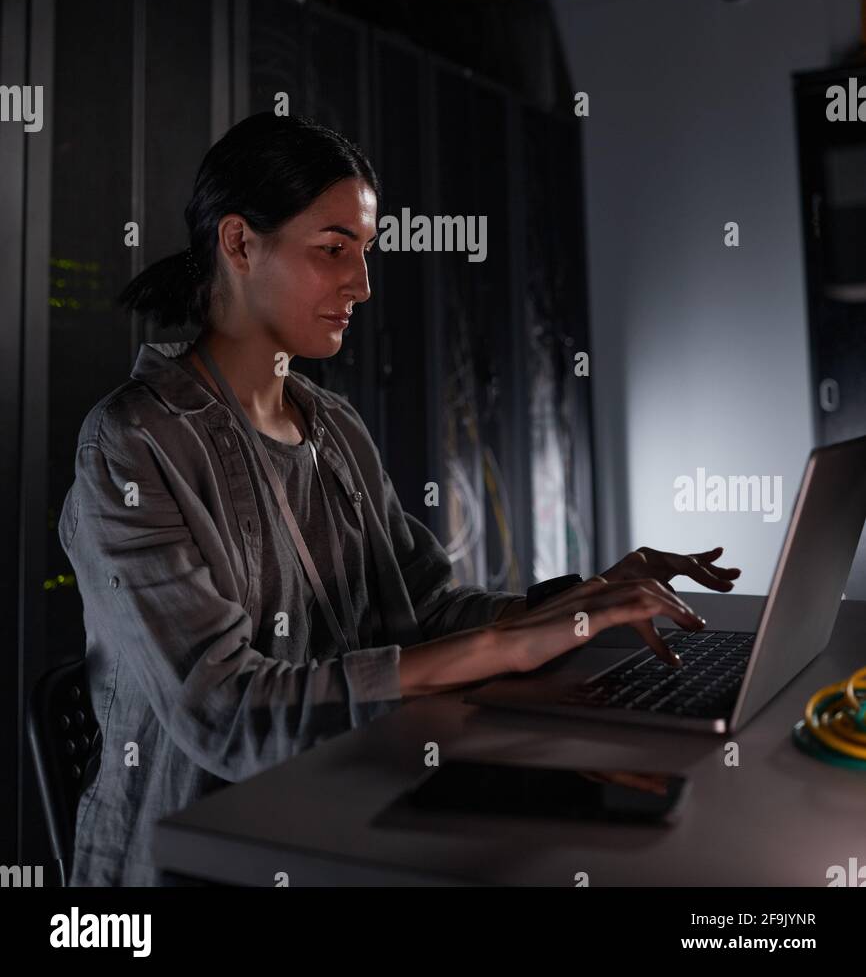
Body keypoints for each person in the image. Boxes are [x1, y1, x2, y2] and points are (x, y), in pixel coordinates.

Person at [58, 111, 740, 886]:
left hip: (349, 808)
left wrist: (577, 606)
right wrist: (499, 648)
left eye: (367, 252)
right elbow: (225, 712)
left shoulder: (334, 423)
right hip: (194, 864)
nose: (363, 284)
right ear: (241, 243)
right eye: (333, 250)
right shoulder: (133, 442)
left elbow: (424, 611)